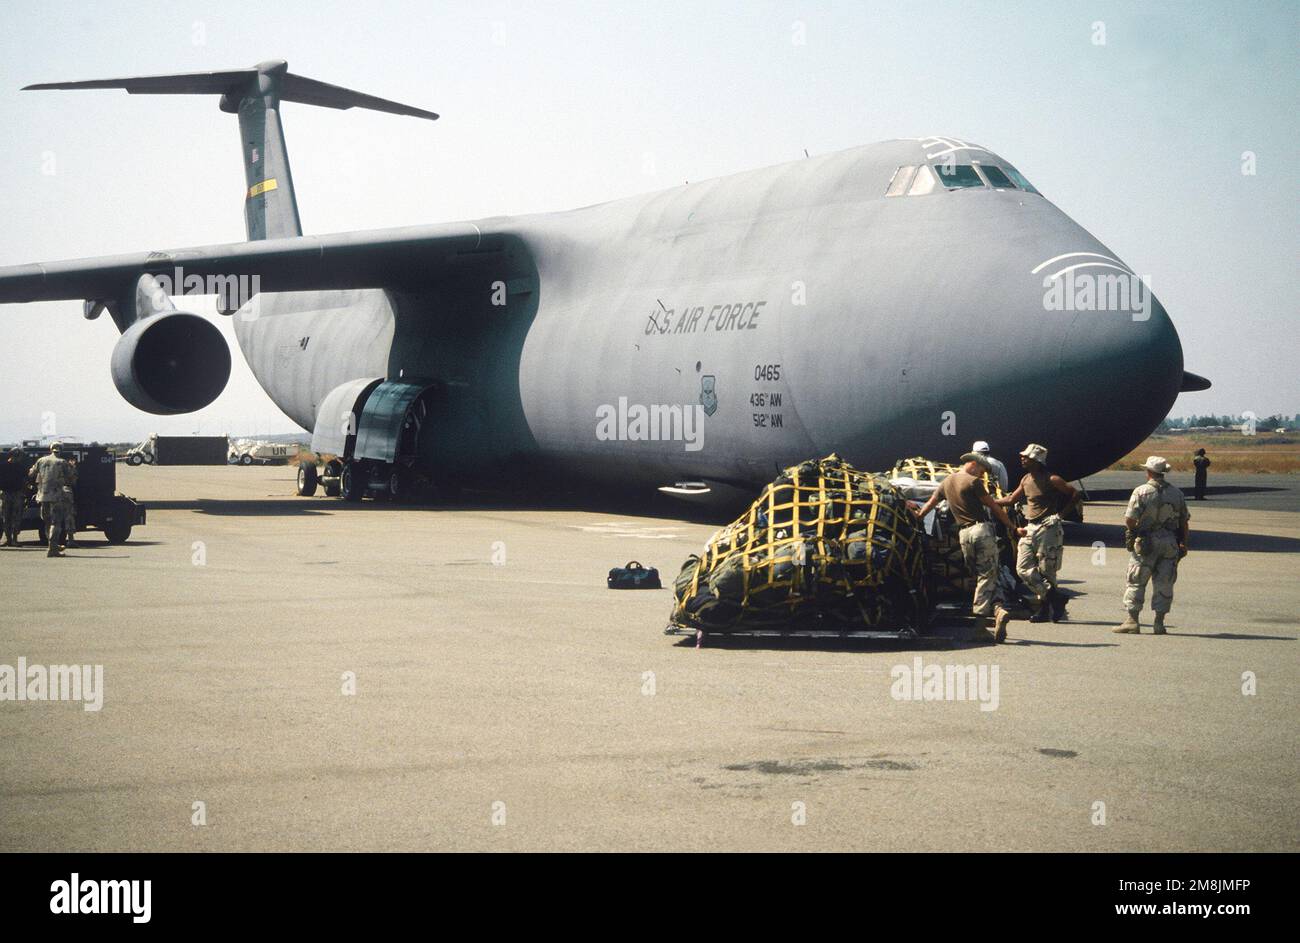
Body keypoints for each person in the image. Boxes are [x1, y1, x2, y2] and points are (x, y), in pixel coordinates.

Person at [913, 452, 1024, 643]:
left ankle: (997, 608)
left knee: (981, 574)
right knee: (987, 575)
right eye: (981, 470)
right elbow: (995, 508)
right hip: (981, 531)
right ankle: (981, 622)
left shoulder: (947, 482)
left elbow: (931, 504)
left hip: (963, 535)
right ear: (973, 464)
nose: (982, 475)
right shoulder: (974, 482)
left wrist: (918, 517)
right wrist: (1014, 528)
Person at [996, 443, 1077, 622]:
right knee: (1022, 568)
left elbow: (1074, 494)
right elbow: (1011, 499)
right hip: (1031, 527)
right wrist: (991, 502)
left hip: (1048, 527)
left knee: (1047, 570)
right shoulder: (1026, 479)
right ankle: (1056, 598)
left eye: (1026, 457)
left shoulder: (1052, 479)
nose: (1022, 458)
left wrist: (1059, 516)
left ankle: (1044, 609)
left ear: (1037, 461)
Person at [1114, 457, 1190, 635]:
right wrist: (1183, 543)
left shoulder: (1141, 492)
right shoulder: (1176, 493)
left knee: (1136, 581)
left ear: (1148, 472)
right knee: (1164, 582)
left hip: (1147, 541)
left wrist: (1135, 531)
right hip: (1169, 542)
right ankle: (1159, 623)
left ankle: (1132, 621)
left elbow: (1130, 519)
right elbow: (1184, 522)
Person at [28, 443, 74, 557]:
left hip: (43, 496)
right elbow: (71, 477)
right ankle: (52, 549)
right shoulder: (62, 462)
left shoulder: (41, 461)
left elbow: (31, 474)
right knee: (56, 522)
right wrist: (72, 467)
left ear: (50, 449)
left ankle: (52, 545)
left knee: (47, 522)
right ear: (61, 450)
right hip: (56, 496)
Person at [0, 448, 27, 546]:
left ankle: (14, 539)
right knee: (5, 518)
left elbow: (25, 480)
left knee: (16, 518)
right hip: (5, 494)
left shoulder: (21, 467)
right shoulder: (2, 466)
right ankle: (8, 539)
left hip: (17, 494)